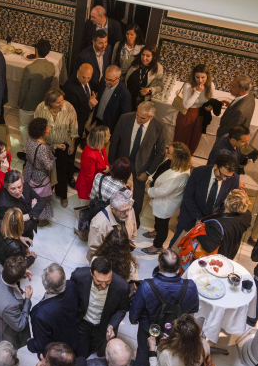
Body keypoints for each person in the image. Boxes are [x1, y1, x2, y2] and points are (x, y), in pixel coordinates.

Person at [128, 249, 200, 366]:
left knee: (144, 352)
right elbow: (193, 310)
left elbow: (134, 312)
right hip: (176, 330)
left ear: (159, 265)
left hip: (149, 328)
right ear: (179, 266)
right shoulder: (190, 286)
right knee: (171, 353)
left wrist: (134, 319)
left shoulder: (146, 285)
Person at [108, 101, 168, 229]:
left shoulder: (159, 126)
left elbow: (161, 153)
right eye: (137, 115)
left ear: (151, 117)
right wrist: (112, 164)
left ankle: (133, 220)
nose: (138, 119)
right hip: (122, 162)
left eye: (142, 118)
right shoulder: (125, 118)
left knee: (137, 197)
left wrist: (148, 172)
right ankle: (113, 215)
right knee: (117, 191)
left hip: (141, 167)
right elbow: (114, 141)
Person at [167, 151, 240, 250]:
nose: (224, 179)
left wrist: (215, 217)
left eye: (228, 176)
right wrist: (198, 217)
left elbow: (229, 202)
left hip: (211, 221)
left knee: (198, 248)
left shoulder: (234, 179)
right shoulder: (199, 172)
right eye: (223, 175)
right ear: (216, 166)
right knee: (177, 243)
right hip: (190, 215)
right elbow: (188, 196)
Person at [71, 256, 131, 359]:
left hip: (102, 325)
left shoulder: (122, 287)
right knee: (80, 352)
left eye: (108, 281)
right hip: (83, 322)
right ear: (91, 273)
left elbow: (122, 309)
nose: (103, 285)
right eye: (99, 281)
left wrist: (112, 325)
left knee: (95, 349)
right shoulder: (78, 276)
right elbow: (71, 294)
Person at [143, 142, 192, 254]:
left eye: (169, 152)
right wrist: (151, 179)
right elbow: (159, 170)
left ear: (176, 157)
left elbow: (162, 191)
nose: (166, 152)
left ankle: (157, 245)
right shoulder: (170, 160)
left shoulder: (178, 176)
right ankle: (156, 231)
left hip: (166, 204)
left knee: (163, 224)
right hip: (161, 200)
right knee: (158, 220)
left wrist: (148, 190)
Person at [34, 89, 80, 208]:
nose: (62, 103)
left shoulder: (68, 107)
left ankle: (62, 195)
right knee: (45, 171)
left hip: (63, 145)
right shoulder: (41, 108)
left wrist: (72, 144)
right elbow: (36, 127)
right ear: (50, 103)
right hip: (45, 144)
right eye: (58, 102)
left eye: (62, 100)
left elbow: (74, 127)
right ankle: (45, 195)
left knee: (61, 171)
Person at [27, 263, 79, 355]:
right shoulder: (71, 285)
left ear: (44, 284)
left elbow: (41, 345)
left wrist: (30, 343)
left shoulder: (41, 315)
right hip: (71, 338)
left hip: (55, 352)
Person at [190, 188, 252, 260]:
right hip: (230, 251)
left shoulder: (217, 224)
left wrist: (199, 231)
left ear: (226, 202)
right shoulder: (247, 215)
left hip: (216, 258)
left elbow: (209, 247)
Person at [0, 255, 33, 350]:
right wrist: (27, 299)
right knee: (3, 352)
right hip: (3, 335)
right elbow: (19, 325)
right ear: (19, 279)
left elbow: (5, 272)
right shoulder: (10, 305)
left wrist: (20, 274)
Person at [17, 39, 57, 149]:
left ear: (36, 50)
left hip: (28, 104)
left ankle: (26, 150)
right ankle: (37, 149)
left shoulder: (29, 68)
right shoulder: (51, 66)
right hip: (43, 103)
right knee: (38, 129)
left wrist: (20, 103)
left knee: (24, 127)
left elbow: (23, 89)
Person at [173, 64, 216, 154]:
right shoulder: (188, 85)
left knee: (194, 141)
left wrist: (210, 106)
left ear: (207, 76)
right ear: (193, 76)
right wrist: (197, 92)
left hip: (201, 115)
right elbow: (186, 105)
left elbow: (211, 99)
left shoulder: (211, 85)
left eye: (203, 77)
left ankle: (187, 160)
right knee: (181, 140)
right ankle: (176, 160)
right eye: (197, 77)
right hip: (187, 114)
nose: (200, 80)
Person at [87, 192, 138, 265]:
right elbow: (94, 251)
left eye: (128, 209)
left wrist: (128, 249)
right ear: (112, 209)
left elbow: (134, 229)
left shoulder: (130, 210)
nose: (127, 214)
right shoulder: (98, 224)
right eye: (122, 211)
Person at [23, 117, 55, 226]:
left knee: (30, 194)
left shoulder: (30, 139)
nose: (50, 129)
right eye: (47, 128)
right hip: (39, 175)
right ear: (41, 131)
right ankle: (39, 219)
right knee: (41, 198)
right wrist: (53, 159)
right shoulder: (42, 147)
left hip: (29, 170)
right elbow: (49, 166)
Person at [0, 170, 43, 241]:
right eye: (13, 189)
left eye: (19, 187)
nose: (17, 191)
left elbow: (41, 201)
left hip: (29, 231)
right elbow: (13, 228)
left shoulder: (25, 185)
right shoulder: (3, 205)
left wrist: (30, 214)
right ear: (6, 187)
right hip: (18, 238)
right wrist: (33, 215)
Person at [63, 64, 98, 148]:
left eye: (89, 78)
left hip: (83, 121)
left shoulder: (88, 80)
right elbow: (73, 111)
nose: (86, 80)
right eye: (83, 77)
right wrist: (89, 105)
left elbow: (88, 89)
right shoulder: (70, 88)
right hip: (75, 123)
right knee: (72, 146)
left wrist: (93, 95)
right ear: (78, 72)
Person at [214, 74, 256, 141]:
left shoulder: (239, 110)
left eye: (233, 87)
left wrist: (219, 134)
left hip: (227, 139)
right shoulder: (250, 95)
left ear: (242, 90)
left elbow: (229, 130)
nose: (230, 88)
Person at [92, 65, 132, 134]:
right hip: (97, 122)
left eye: (110, 80)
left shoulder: (124, 94)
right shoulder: (103, 81)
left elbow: (125, 116)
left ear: (118, 79)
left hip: (109, 127)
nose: (107, 82)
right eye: (106, 79)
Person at [75, 126, 110, 201]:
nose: (110, 135)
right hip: (90, 185)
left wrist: (107, 165)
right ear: (101, 139)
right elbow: (89, 177)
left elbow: (104, 160)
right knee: (89, 204)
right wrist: (92, 193)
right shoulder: (90, 155)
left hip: (98, 180)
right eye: (108, 135)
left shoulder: (101, 146)